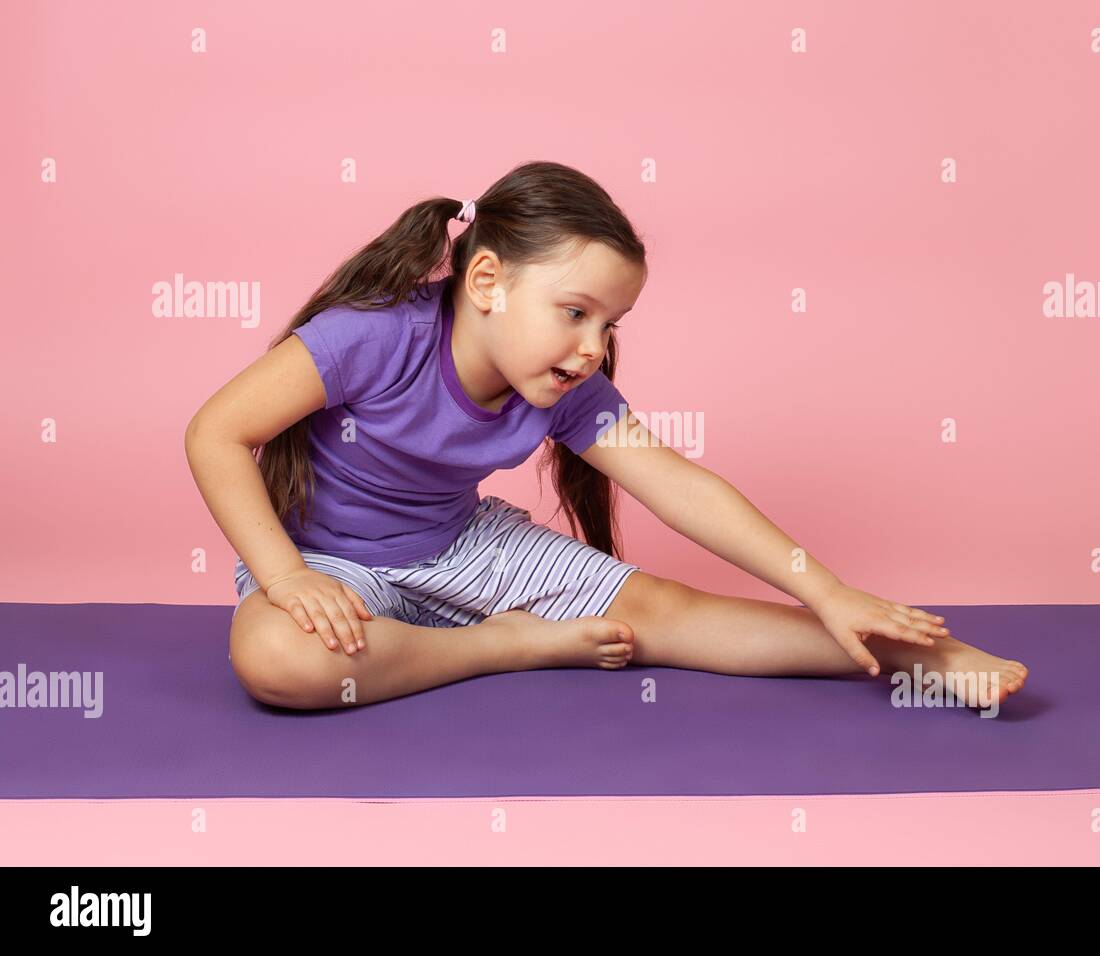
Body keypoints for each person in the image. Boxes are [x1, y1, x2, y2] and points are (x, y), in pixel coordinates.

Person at [184, 160, 1029, 711]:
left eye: (612, 321)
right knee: (276, 660)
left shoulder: (565, 385)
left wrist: (830, 591)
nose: (594, 346)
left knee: (667, 610)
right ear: (487, 281)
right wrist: (286, 577)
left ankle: (925, 657)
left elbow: (679, 483)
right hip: (325, 561)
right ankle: (499, 647)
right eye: (576, 313)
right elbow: (216, 433)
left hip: (464, 550)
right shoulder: (372, 334)